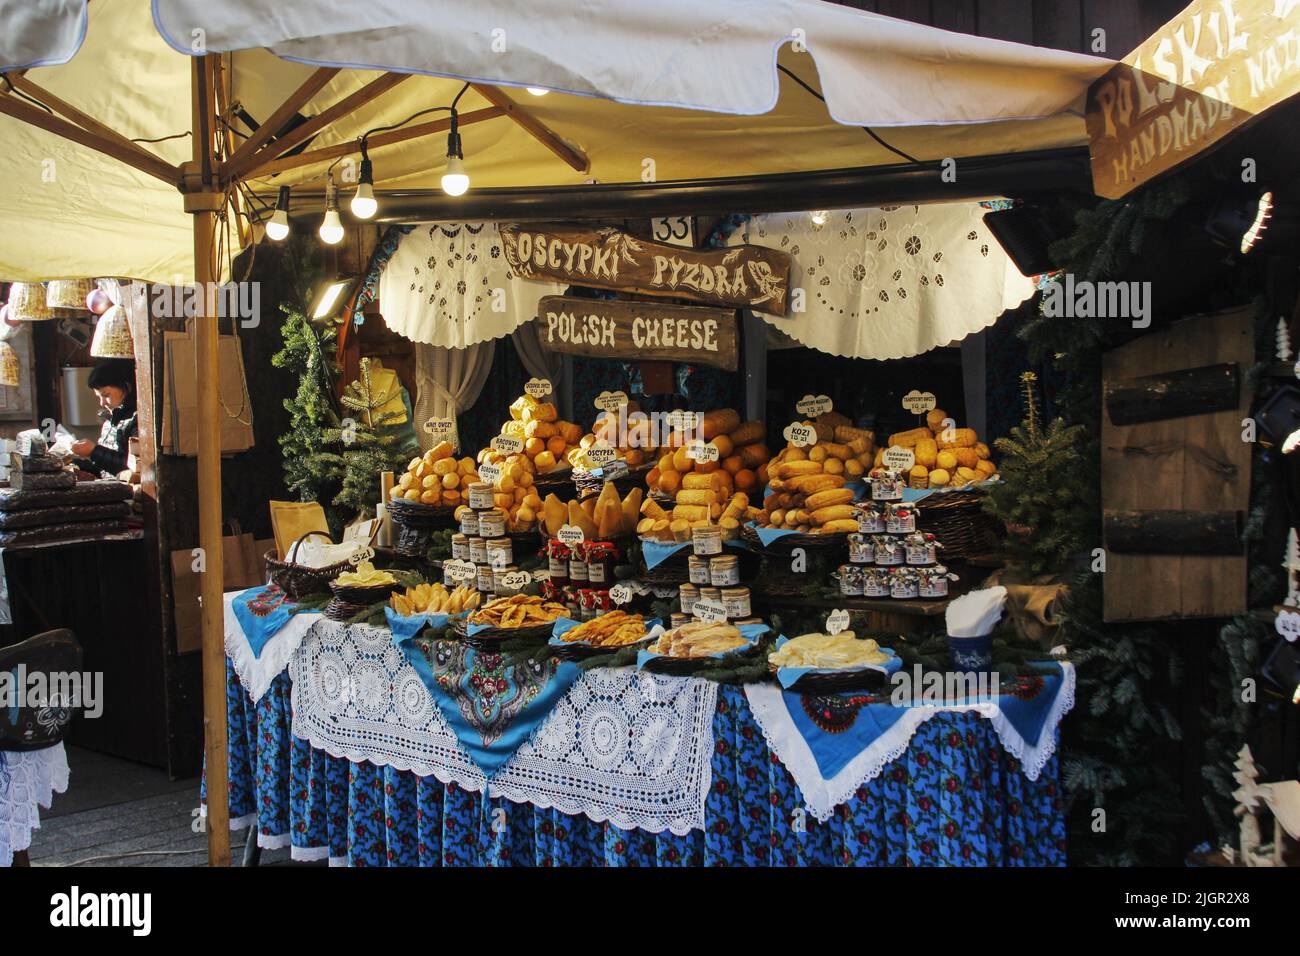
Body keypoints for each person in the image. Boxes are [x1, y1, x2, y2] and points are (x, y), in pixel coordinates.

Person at [70, 359, 138, 477]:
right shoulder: (109, 421)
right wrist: (73, 463)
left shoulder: (137, 420)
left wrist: (94, 451)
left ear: (127, 387)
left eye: (106, 395)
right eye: (99, 397)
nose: (102, 403)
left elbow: (132, 466)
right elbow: (103, 469)